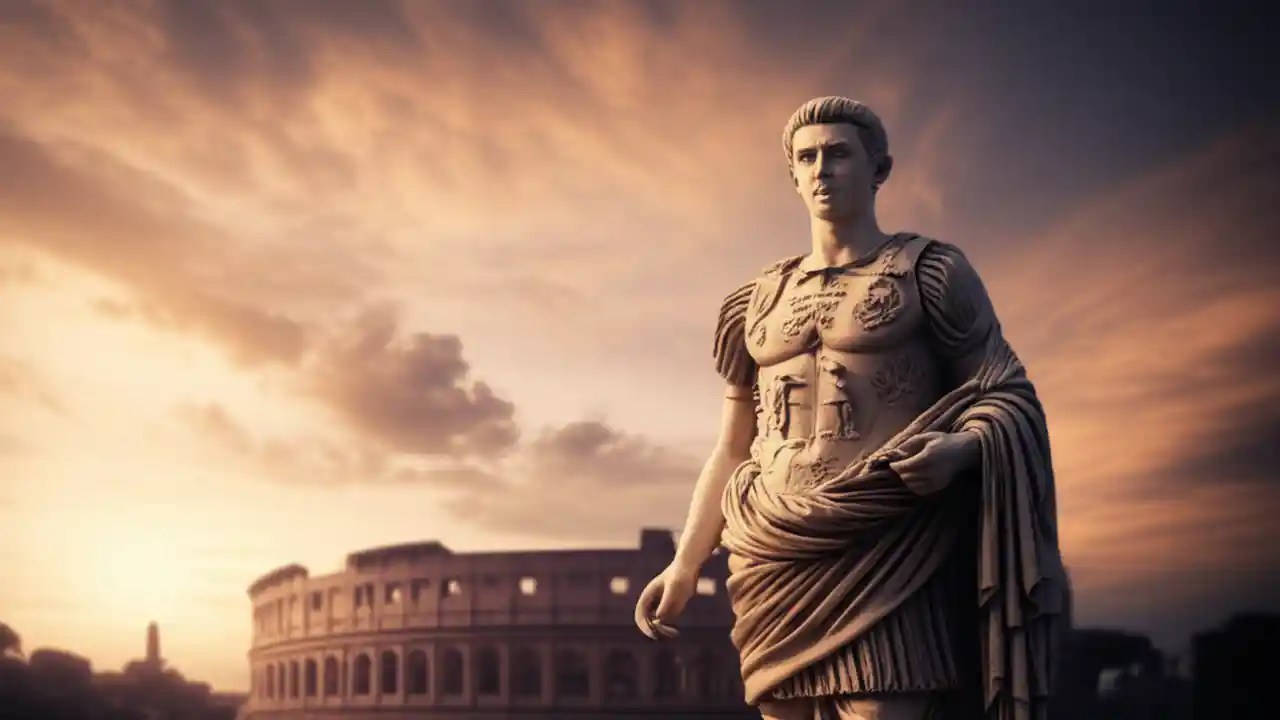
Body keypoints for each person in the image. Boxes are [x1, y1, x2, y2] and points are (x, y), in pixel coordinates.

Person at [635, 96, 1066, 720]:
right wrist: (684, 565)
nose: (821, 170)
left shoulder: (931, 274)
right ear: (793, 175)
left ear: (878, 169)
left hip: (886, 544)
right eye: (806, 158)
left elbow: (1006, 393)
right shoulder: (753, 303)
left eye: (838, 154)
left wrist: (964, 448)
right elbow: (732, 447)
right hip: (770, 547)